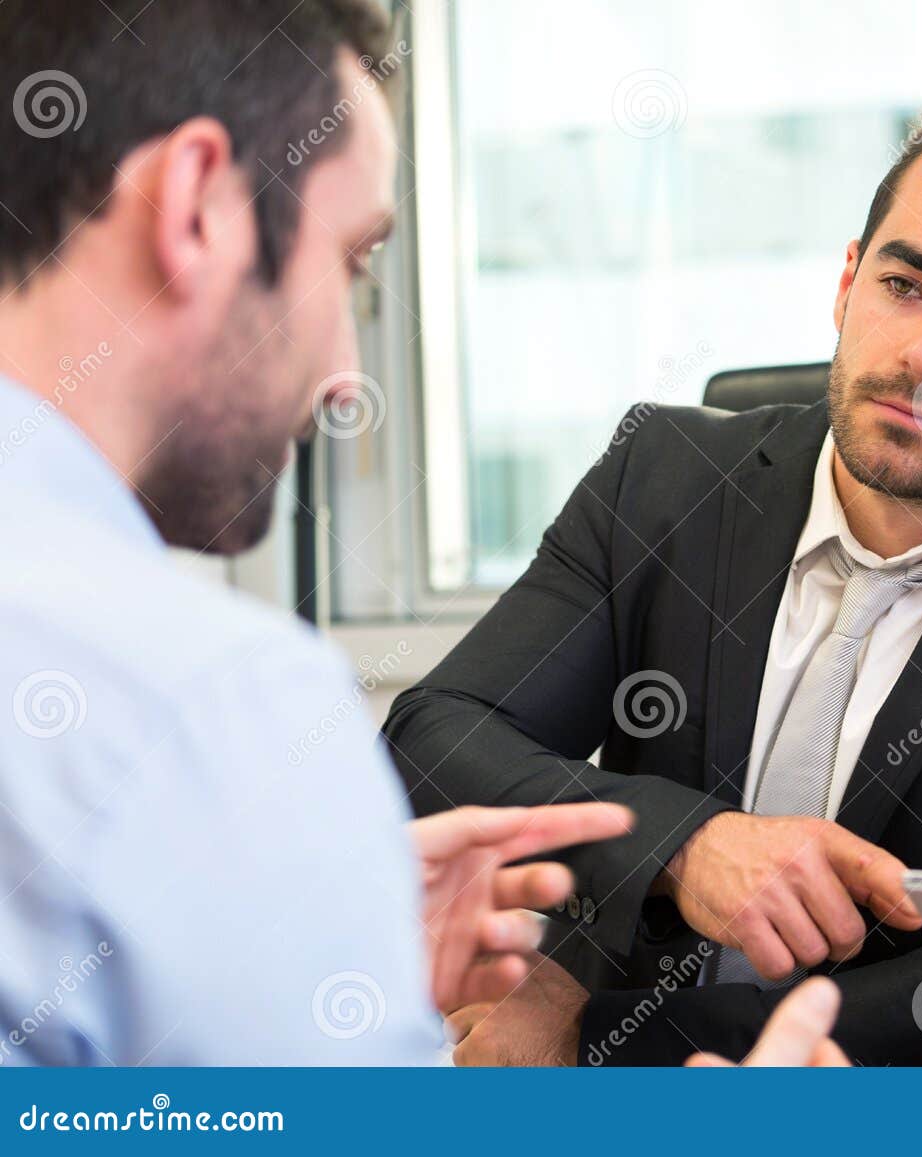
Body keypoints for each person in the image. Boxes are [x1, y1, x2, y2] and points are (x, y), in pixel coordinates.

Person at [0, 0, 838, 1069]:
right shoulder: (212, 699)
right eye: (351, 262)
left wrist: (323, 973)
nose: (346, 376)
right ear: (199, 203)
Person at [385, 90, 922, 1067]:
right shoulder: (665, 476)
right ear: (847, 282)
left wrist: (591, 1035)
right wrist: (684, 844)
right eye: (905, 284)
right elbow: (433, 743)